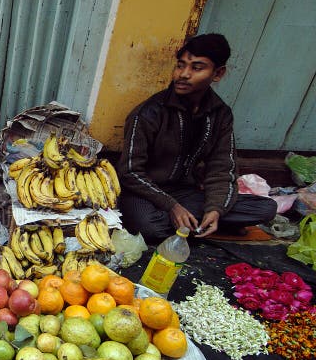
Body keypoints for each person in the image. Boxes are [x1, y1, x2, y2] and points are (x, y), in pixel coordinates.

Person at [117, 33, 277, 244]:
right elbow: (129, 172)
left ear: (218, 73)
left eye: (196, 68)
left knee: (266, 208)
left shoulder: (220, 114)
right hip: (144, 193)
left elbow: (222, 169)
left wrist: (215, 209)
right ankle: (193, 226)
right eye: (180, 66)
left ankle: (195, 224)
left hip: (186, 194)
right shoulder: (149, 113)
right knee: (147, 226)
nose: (183, 74)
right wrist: (171, 206)